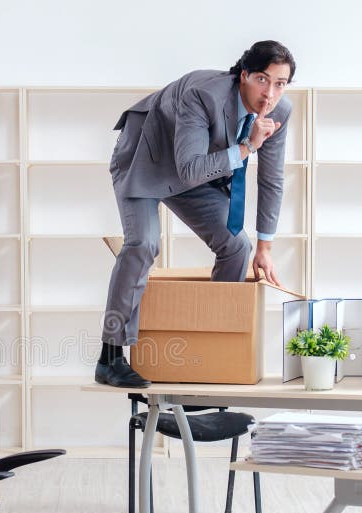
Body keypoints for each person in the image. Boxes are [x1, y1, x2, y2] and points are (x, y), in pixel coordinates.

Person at [95, 40, 296, 388]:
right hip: (148, 156)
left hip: (200, 167)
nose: (270, 93)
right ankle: (110, 355)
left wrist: (266, 246)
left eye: (280, 83)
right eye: (263, 80)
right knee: (143, 244)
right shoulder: (203, 94)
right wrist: (248, 146)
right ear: (244, 75)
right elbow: (189, 168)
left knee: (238, 246)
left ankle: (214, 342)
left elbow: (272, 178)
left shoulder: (279, 111)